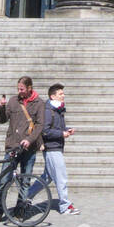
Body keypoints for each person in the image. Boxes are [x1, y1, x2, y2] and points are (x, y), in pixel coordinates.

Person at [0, 75, 47, 224]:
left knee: (25, 181)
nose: (19, 91)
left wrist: (29, 140)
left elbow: (40, 125)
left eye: (22, 89)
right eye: (18, 89)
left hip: (29, 149)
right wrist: (1, 107)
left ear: (29, 88)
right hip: (12, 146)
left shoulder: (39, 103)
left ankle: (19, 212)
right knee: (3, 180)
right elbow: (2, 120)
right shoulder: (14, 101)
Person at [29, 83, 77, 215]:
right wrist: (61, 134)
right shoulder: (48, 110)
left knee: (46, 178)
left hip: (55, 147)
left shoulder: (58, 110)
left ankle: (25, 197)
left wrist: (67, 130)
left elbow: (55, 128)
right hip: (52, 148)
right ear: (53, 96)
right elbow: (45, 131)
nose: (63, 96)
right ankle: (65, 206)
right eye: (60, 94)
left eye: (63, 93)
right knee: (61, 177)